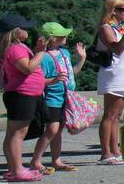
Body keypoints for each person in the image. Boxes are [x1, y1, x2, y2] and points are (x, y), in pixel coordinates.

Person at [0, 13, 47, 182]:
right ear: (15, 31)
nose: (27, 30)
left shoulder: (17, 47)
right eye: (23, 27)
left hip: (22, 95)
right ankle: (17, 170)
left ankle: (13, 168)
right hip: (22, 95)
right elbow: (28, 68)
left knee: (12, 133)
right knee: (17, 134)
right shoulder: (15, 49)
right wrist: (40, 52)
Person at [31, 22, 84, 173]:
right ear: (53, 39)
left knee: (58, 130)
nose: (66, 36)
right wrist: (53, 81)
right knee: (52, 129)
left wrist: (82, 59)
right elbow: (38, 79)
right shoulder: (43, 57)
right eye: (62, 34)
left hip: (66, 97)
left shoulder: (64, 53)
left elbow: (72, 73)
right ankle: (36, 161)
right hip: (52, 98)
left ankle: (57, 160)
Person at [95, 0, 124, 166]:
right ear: (112, 10)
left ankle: (115, 150)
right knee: (110, 115)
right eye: (122, 9)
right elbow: (117, 50)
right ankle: (105, 153)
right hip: (113, 74)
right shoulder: (106, 28)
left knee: (117, 116)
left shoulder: (120, 27)